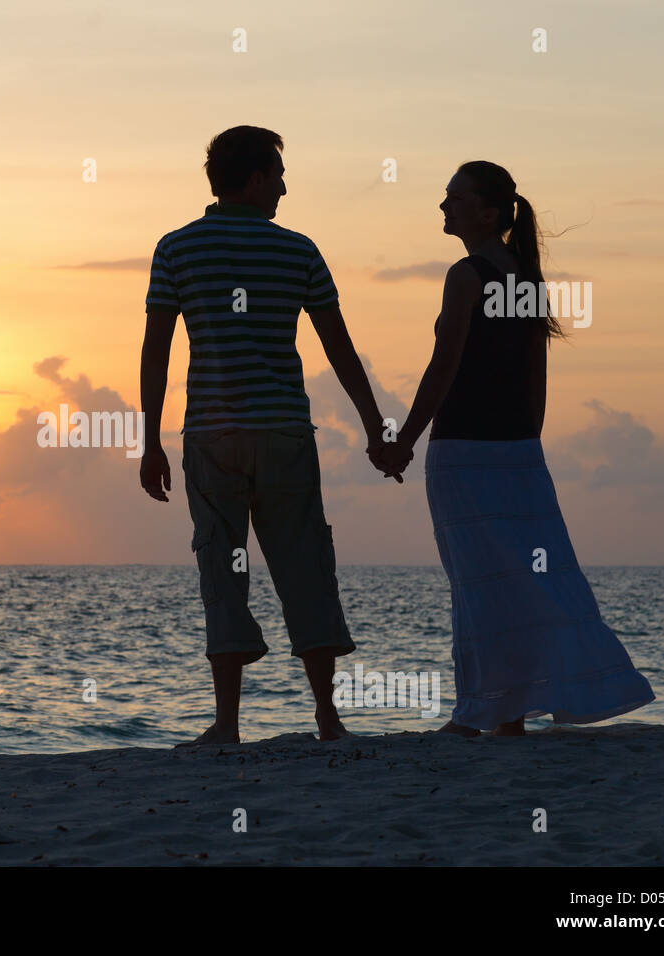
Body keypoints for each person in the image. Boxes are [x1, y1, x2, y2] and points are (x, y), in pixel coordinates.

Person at [372, 160, 655, 736]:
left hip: (467, 452)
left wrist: (403, 442)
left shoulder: (467, 274)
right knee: (530, 579)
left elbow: (444, 365)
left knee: (480, 583)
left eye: (454, 197)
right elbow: (536, 375)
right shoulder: (526, 276)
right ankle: (508, 712)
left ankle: (487, 708)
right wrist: (530, 440)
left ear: (489, 211)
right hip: (518, 450)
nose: (443, 206)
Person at [139, 126, 396, 745]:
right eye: (278, 175)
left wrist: (149, 442)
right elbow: (340, 349)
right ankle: (327, 719)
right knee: (304, 562)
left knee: (221, 571)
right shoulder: (299, 251)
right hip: (283, 431)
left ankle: (227, 724)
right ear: (254, 179)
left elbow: (157, 351)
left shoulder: (176, 248)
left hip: (212, 434)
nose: (284, 187)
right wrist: (374, 429)